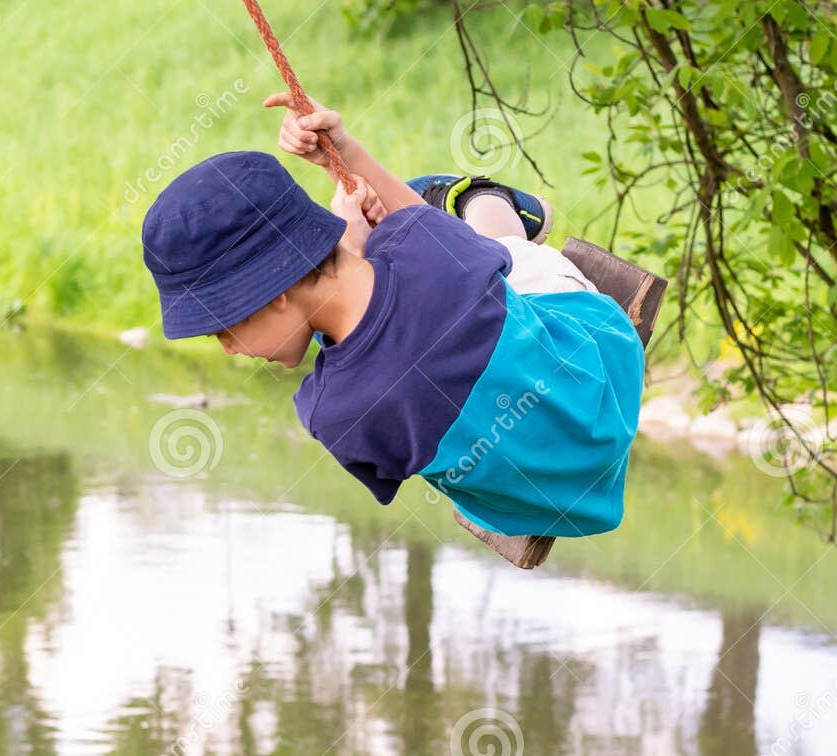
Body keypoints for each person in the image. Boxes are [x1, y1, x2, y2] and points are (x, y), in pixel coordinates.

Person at [140, 95, 646, 538]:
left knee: (352, 343)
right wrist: (355, 187)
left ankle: (449, 210)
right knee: (465, 226)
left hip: (557, 509)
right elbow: (440, 258)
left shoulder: (329, 414)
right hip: (605, 381)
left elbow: (388, 368)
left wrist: (356, 246)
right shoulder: (421, 249)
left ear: (270, 293)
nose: (229, 348)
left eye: (223, 327)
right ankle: (484, 196)